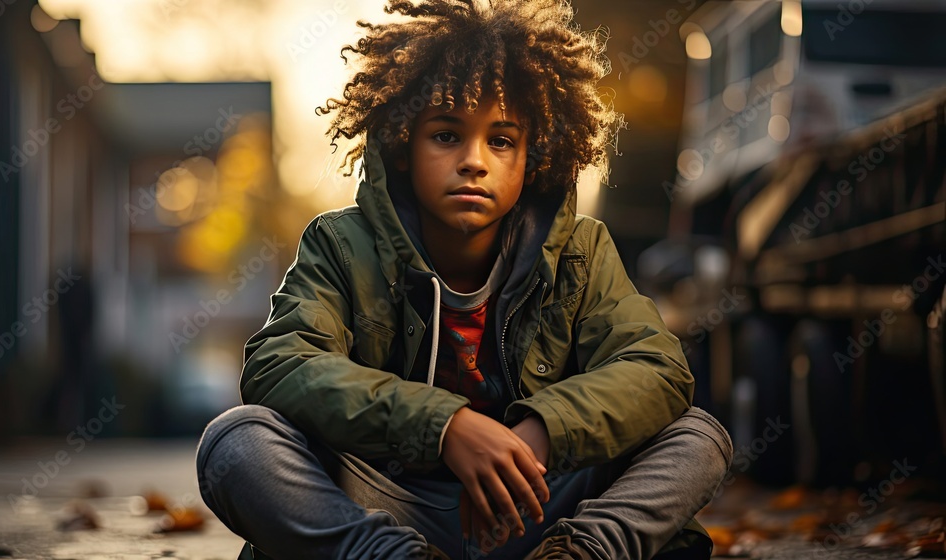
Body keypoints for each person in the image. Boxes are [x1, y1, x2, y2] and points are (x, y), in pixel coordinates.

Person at [196, 0, 733, 558]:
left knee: (698, 436)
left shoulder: (582, 249)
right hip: (388, 507)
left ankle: (581, 555)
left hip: (541, 507)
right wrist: (446, 428)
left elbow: (657, 369)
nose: (474, 161)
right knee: (236, 441)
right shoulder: (340, 244)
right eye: (447, 135)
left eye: (501, 140)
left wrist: (544, 430)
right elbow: (281, 363)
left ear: (534, 157)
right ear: (404, 144)